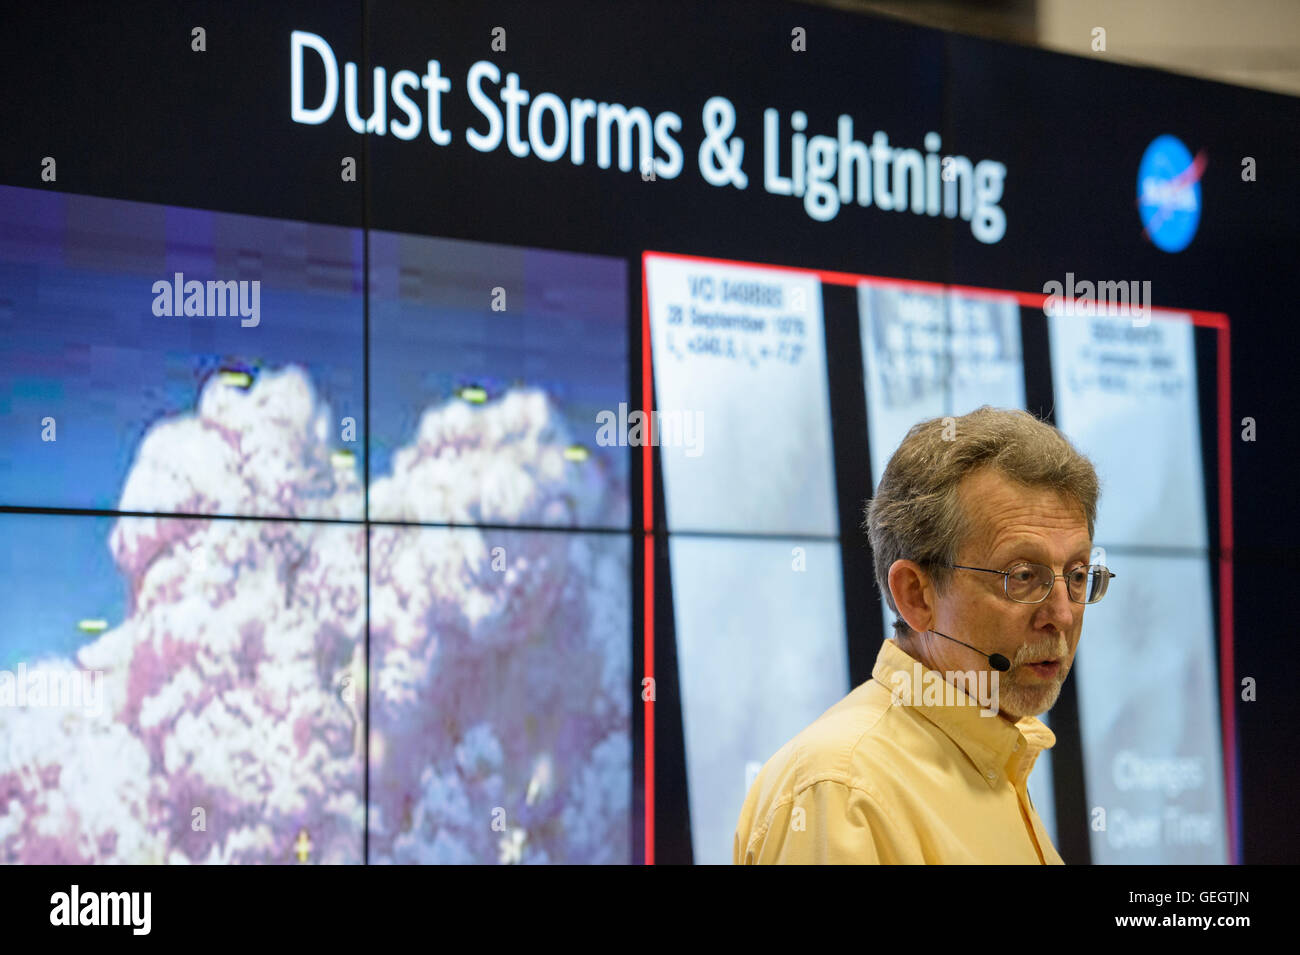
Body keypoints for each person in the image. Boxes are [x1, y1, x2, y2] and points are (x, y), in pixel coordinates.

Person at [734, 406, 1115, 864]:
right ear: (915, 595)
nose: (1063, 615)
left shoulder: (997, 754)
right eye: (1022, 575)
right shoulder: (839, 792)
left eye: (1076, 574)